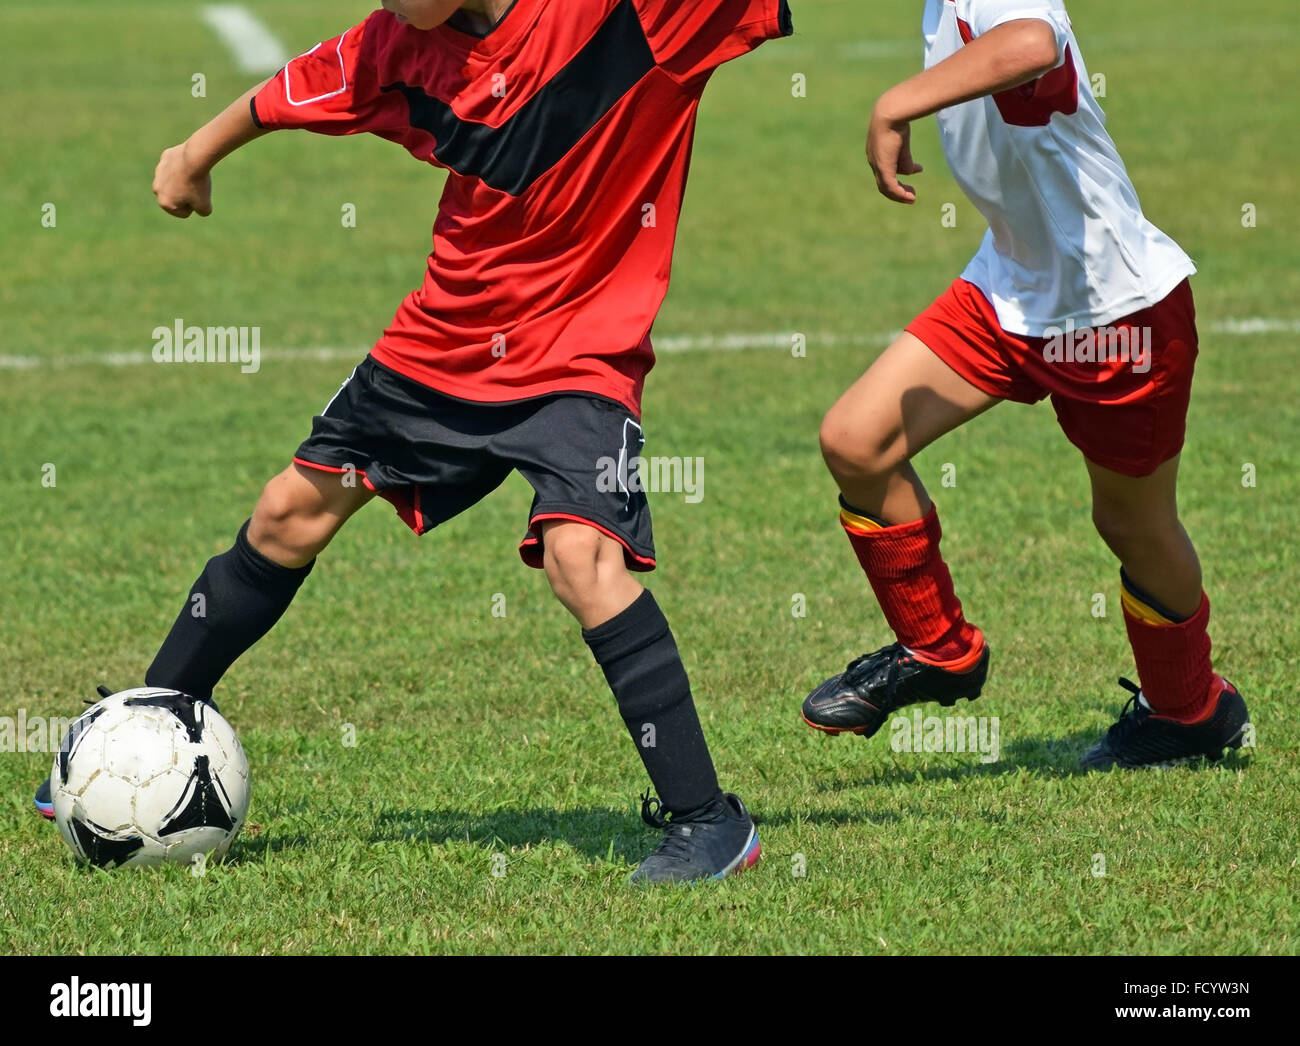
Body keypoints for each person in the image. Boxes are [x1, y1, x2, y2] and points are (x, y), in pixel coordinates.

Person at [37, 0, 794, 883]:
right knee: (286, 515)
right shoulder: (397, 44)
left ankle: (708, 823)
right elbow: (292, 90)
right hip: (441, 345)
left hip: (578, 357)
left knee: (582, 562)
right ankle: (147, 730)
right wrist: (193, 154)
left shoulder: (633, 13)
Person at [801, 0, 1250, 770]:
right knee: (856, 440)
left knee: (1134, 525)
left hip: (1115, 311)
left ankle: (1190, 712)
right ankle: (938, 649)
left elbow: (1033, 41)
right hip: (1010, 289)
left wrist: (895, 101)